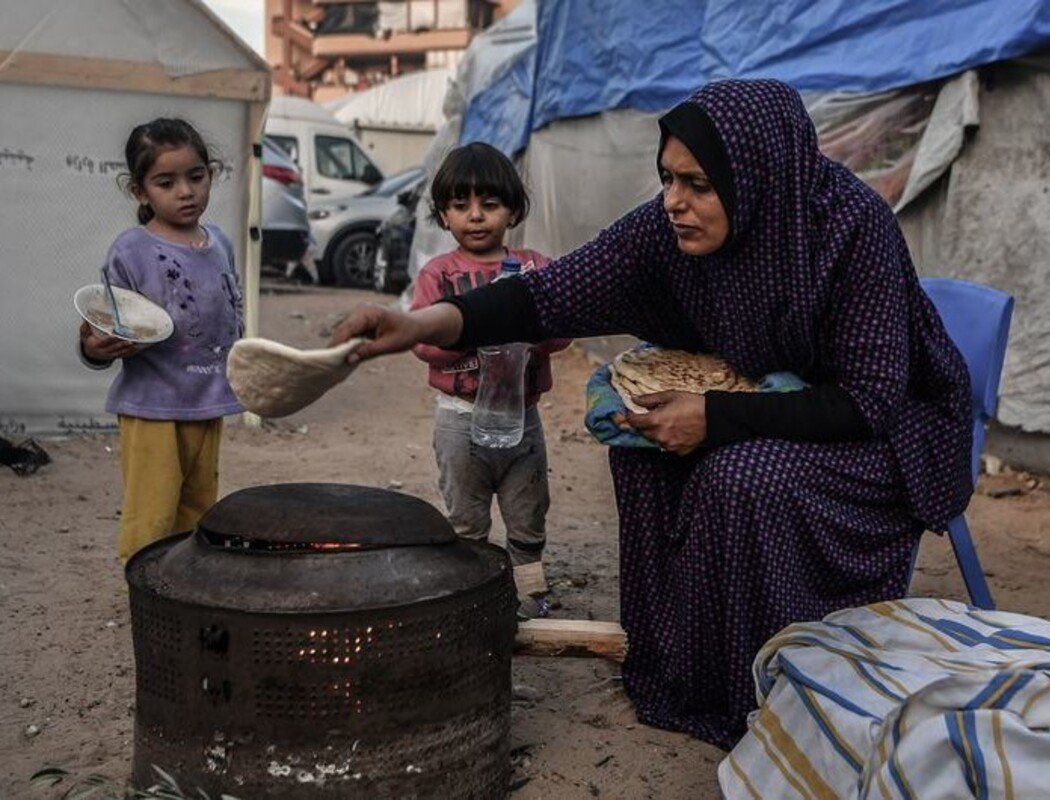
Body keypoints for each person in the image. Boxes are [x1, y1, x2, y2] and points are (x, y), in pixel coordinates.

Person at [330, 80, 974, 749]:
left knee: (739, 476)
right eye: (667, 178)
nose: (674, 202)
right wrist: (417, 323)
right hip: (765, 404)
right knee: (643, 450)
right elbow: (548, 294)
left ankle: (770, 687)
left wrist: (714, 418)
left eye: (697, 183)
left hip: (884, 432)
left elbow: (870, 398)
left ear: (753, 177)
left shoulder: (848, 228)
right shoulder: (664, 234)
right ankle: (683, 673)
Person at [410, 142, 570, 618]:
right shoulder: (438, 275)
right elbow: (422, 342)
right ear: (443, 216)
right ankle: (472, 601)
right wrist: (473, 334)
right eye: (461, 206)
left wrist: (529, 332)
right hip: (459, 423)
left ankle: (529, 597)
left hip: (523, 419)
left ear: (514, 210)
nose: (475, 217)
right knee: (466, 521)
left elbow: (563, 326)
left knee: (527, 516)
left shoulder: (534, 269)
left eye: (490, 205)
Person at [79, 118, 243, 562]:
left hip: (208, 399)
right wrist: (94, 348)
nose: (186, 192)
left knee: (197, 508)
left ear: (212, 173)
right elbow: (101, 323)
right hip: (152, 406)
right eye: (166, 182)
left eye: (196, 176)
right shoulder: (130, 250)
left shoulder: (221, 243)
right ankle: (146, 587)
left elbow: (231, 313)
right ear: (139, 191)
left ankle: (182, 587)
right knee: (151, 514)